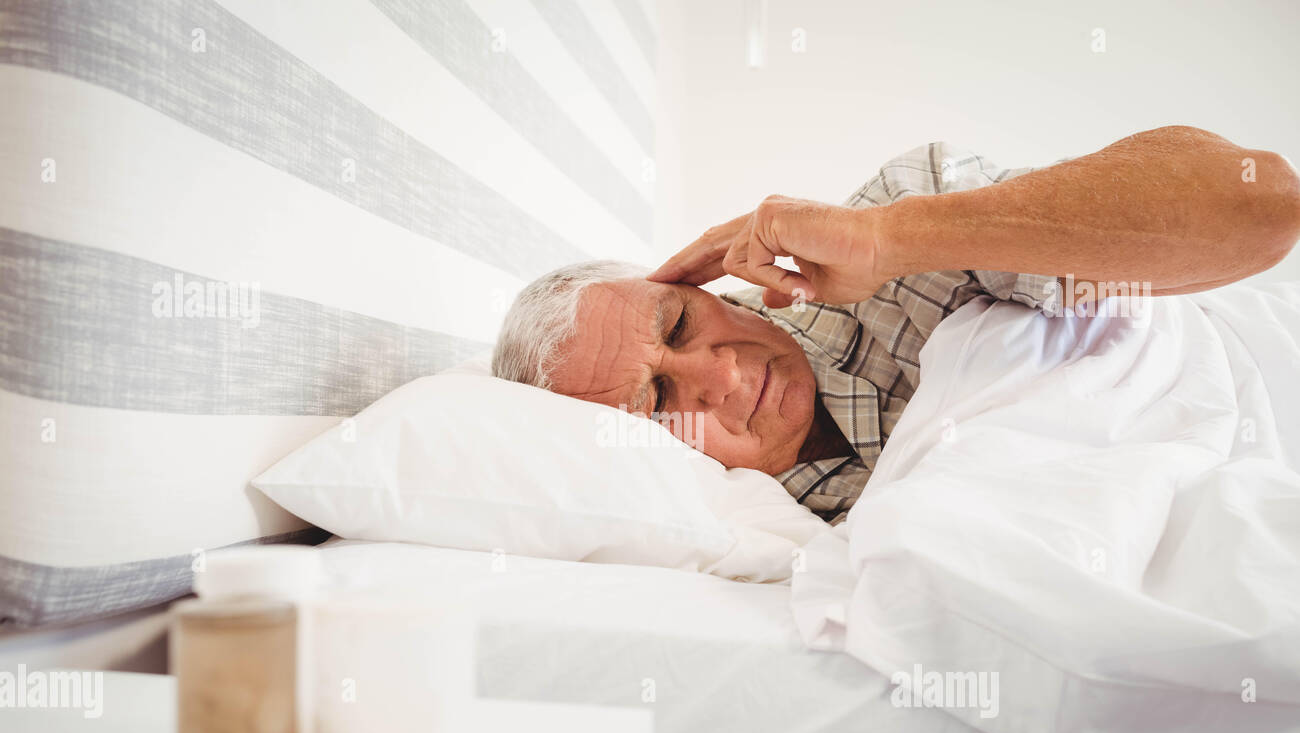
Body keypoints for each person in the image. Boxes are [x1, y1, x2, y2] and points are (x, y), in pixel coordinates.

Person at [491, 126, 1300, 523]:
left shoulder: (897, 225)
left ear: (704, 283)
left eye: (678, 323)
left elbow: (1265, 205)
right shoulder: (750, 534)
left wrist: (896, 239)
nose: (724, 373)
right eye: (659, 402)